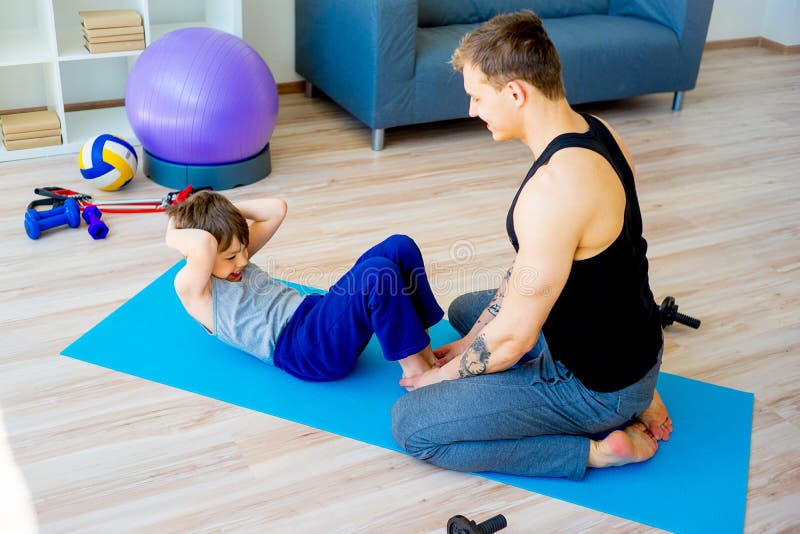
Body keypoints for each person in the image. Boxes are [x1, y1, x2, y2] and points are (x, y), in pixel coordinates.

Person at [391, 10, 673, 480]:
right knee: (467, 309)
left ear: (516, 92)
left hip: (593, 387)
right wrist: (467, 342)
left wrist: (434, 379)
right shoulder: (597, 131)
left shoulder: (553, 190)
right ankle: (640, 392)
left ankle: (597, 450)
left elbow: (511, 341)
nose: (472, 111)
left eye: (477, 97)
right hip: (637, 346)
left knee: (413, 426)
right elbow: (548, 269)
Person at [165, 190, 444, 382]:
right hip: (302, 349)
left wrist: (223, 214)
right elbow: (203, 244)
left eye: (244, 250)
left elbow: (277, 209)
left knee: (399, 246)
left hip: (314, 314)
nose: (244, 259)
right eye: (231, 257)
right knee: (377, 274)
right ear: (200, 256)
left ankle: (424, 351)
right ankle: (415, 371)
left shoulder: (232, 254)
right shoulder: (196, 290)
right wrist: (172, 227)